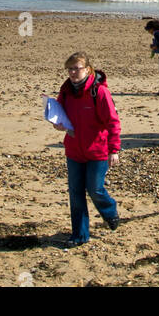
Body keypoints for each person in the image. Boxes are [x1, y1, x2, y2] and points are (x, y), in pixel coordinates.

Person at [53, 52, 121, 246]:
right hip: (74, 150)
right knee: (75, 194)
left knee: (95, 189)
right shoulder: (65, 91)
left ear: (88, 69)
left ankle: (110, 211)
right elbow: (60, 114)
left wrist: (113, 150)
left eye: (77, 68)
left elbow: (113, 122)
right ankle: (80, 235)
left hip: (97, 151)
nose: (73, 72)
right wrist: (58, 123)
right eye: (70, 69)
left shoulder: (98, 92)